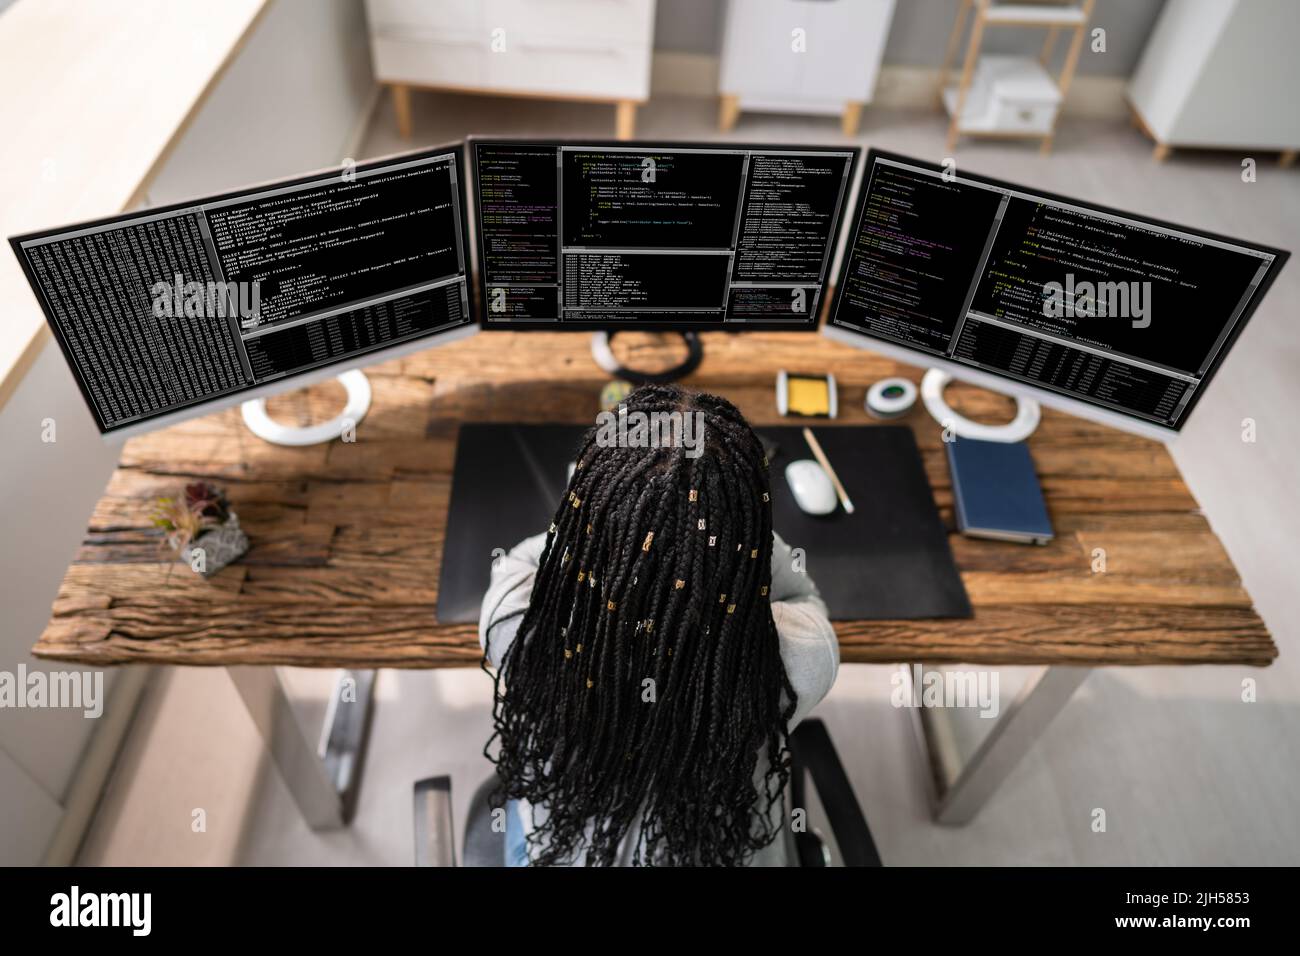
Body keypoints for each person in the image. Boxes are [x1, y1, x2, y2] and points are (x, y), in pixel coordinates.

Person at [479, 384, 838, 866]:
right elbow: (802, 596)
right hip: (719, 847)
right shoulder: (799, 658)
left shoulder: (515, 623)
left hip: (558, 845)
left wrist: (598, 519)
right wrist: (739, 540)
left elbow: (531, 559)